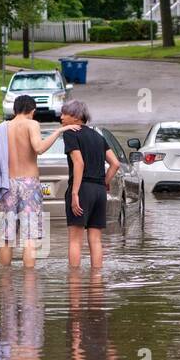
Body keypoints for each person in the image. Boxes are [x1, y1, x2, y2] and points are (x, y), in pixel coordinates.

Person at [0, 94, 69, 268]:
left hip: (8, 183)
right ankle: (29, 283)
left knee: (7, 235)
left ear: (15, 109)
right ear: (32, 111)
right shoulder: (32, 124)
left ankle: (4, 279)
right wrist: (58, 131)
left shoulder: (3, 127)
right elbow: (39, 148)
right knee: (29, 235)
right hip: (29, 183)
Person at [60, 99, 119, 270]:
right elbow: (115, 164)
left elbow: (79, 163)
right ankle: (96, 280)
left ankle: (74, 282)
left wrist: (74, 193)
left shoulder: (70, 134)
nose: (61, 117)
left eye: (65, 114)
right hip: (99, 191)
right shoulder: (98, 136)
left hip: (82, 189)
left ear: (77, 117)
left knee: (75, 240)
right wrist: (104, 183)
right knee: (96, 239)